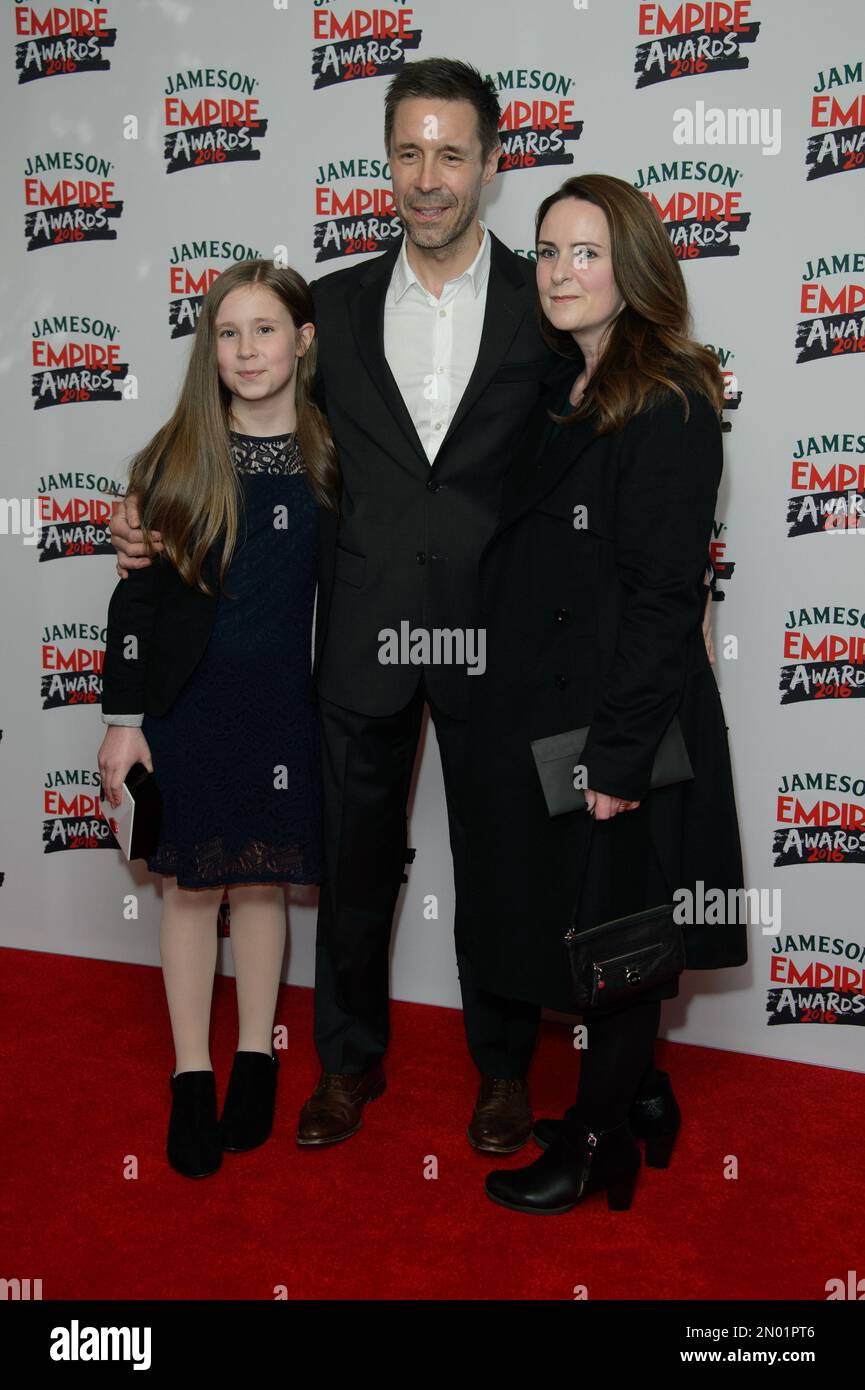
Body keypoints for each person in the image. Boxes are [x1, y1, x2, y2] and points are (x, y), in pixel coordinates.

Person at [109, 59, 715, 1157]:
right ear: (384, 161)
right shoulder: (328, 309)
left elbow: (617, 440)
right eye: (407, 151)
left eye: (451, 153)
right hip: (361, 635)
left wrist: (676, 589)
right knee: (350, 867)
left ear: (490, 164)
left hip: (507, 644)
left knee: (502, 865)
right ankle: (345, 1064)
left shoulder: (549, 301)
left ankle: (499, 1071)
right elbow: (244, 413)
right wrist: (158, 514)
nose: (426, 177)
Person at [460, 174, 747, 1215]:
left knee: (618, 938)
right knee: (589, 923)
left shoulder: (667, 395)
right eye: (545, 252)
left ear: (632, 267)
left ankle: (596, 1143)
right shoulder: (559, 389)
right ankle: (642, 1099)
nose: (561, 273)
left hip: (632, 719)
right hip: (555, 715)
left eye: (585, 252)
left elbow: (664, 593)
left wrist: (621, 756)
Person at [98, 260, 337, 1178]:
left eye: (265, 330)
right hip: (187, 709)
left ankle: (256, 1055)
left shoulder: (331, 457)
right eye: (227, 333)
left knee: (264, 886)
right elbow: (138, 604)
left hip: (286, 713)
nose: (245, 351)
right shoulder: (176, 458)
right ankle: (191, 1070)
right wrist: (125, 720)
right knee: (193, 889)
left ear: (302, 341)